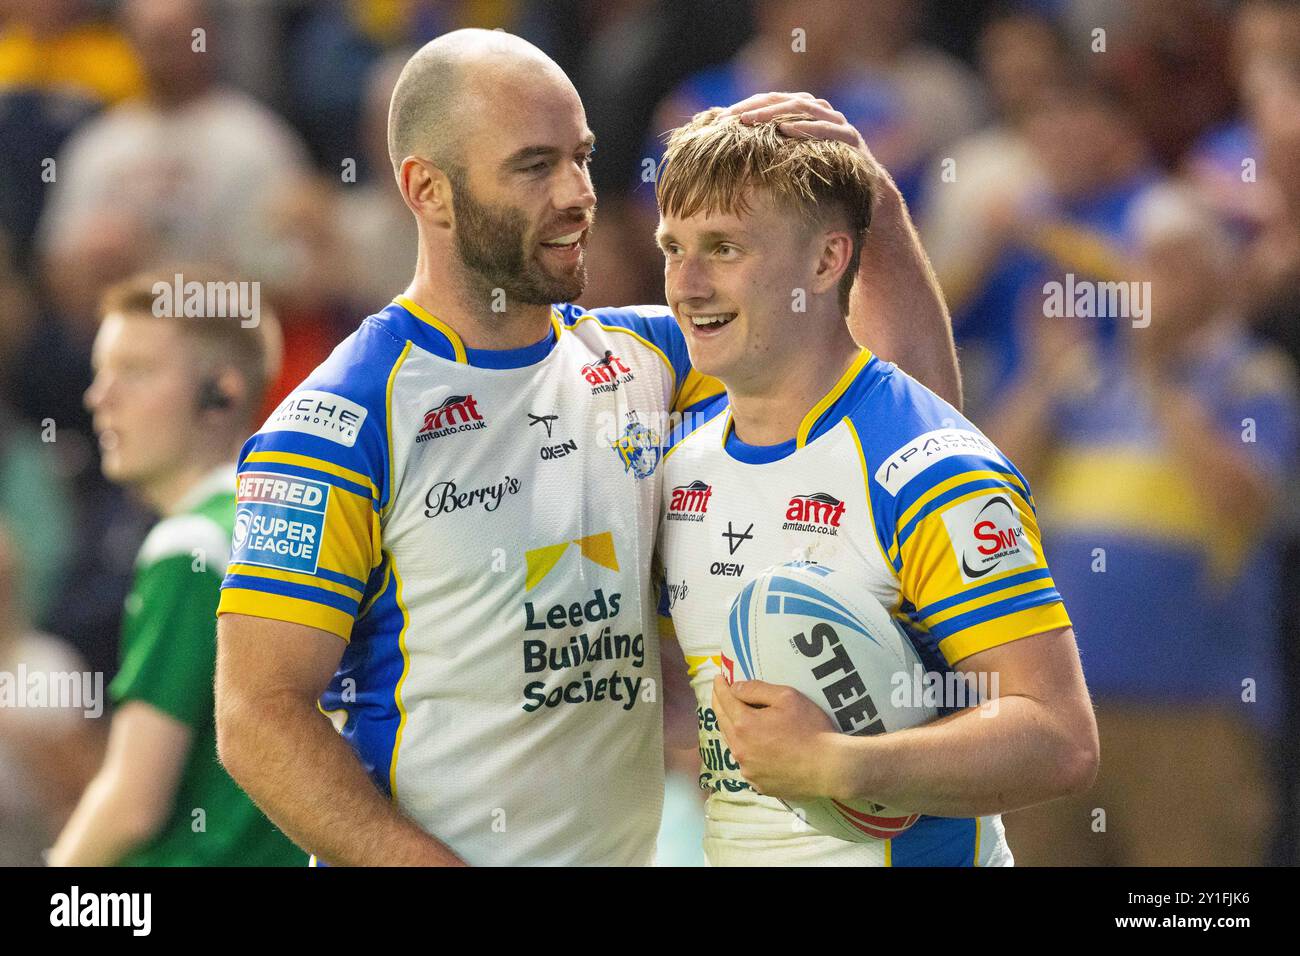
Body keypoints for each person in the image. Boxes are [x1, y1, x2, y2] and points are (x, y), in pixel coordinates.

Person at [214, 29, 960, 867]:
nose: (577, 193)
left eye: (584, 157)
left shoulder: (653, 358)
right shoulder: (342, 419)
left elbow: (912, 413)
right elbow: (258, 713)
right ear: (428, 190)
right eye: (535, 166)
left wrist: (880, 220)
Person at [653, 99, 1099, 865]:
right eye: (673, 247)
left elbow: (1059, 739)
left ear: (827, 263)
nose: (687, 283)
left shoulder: (931, 465)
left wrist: (838, 766)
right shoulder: (679, 460)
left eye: (724, 248)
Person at [48, 269, 301, 866]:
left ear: (223, 394)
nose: (98, 397)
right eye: (100, 373)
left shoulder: (190, 544)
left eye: (133, 372)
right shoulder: (291, 523)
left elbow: (132, 803)